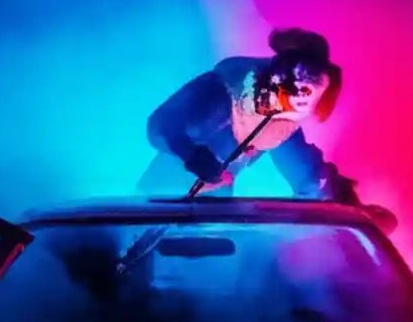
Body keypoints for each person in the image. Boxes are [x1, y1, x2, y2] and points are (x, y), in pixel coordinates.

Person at [136, 27, 361, 204]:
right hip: (158, 202)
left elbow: (308, 175)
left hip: (212, 215)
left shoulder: (281, 125)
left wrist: (346, 202)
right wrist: (189, 153)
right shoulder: (218, 90)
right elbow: (160, 125)